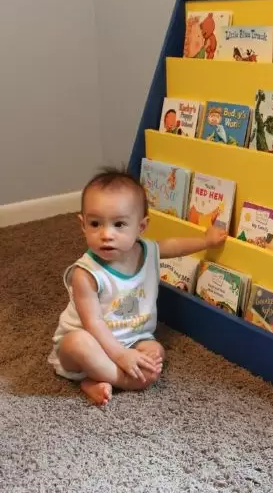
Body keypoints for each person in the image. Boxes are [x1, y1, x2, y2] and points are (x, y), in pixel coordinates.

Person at [48, 166, 227, 406]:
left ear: (141, 227)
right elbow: (94, 324)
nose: (106, 234)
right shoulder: (86, 275)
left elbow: (173, 246)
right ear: (83, 225)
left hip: (134, 337)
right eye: (95, 223)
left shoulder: (147, 250)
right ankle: (120, 378)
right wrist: (121, 356)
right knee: (77, 344)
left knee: (155, 352)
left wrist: (205, 241)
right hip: (90, 342)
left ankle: (94, 381)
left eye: (119, 224)